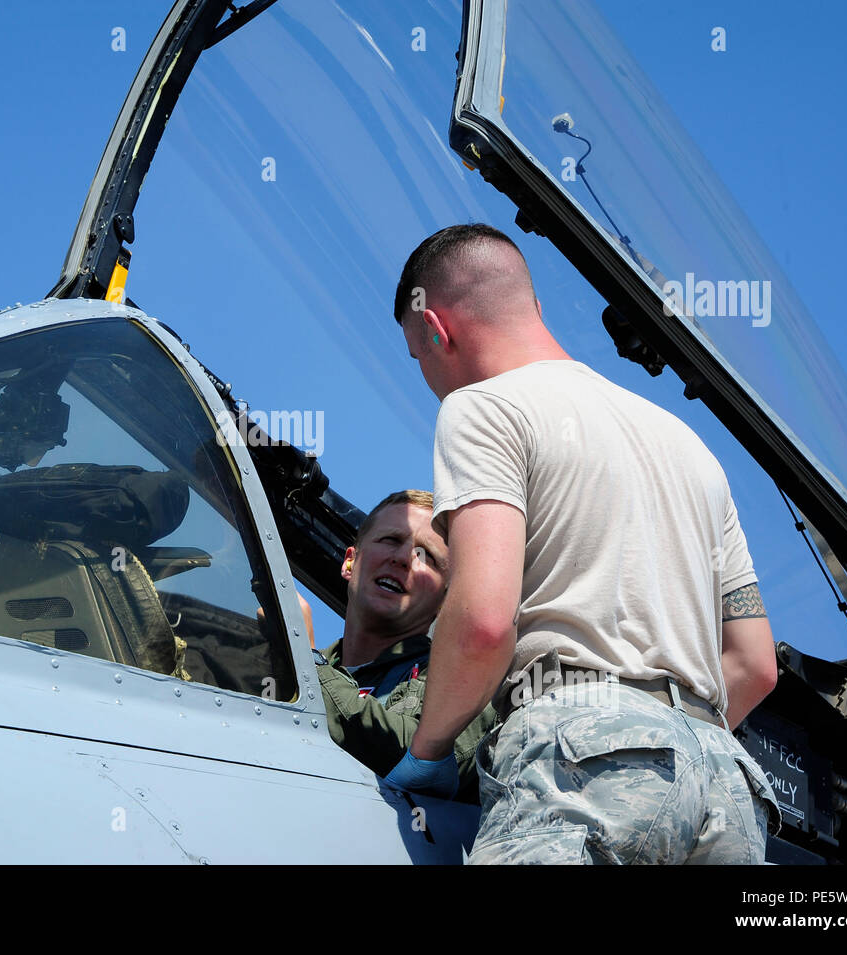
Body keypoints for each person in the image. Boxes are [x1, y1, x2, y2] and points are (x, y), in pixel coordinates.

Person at [382, 223, 781, 863]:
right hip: (726, 789)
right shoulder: (691, 448)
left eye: (417, 354)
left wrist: (427, 750)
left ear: (436, 330)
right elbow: (757, 664)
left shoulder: (484, 409)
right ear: (534, 307)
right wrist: (662, 738)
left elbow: (484, 622)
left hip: (579, 766)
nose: (426, 372)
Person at [316, 489, 492, 803]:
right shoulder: (281, 668)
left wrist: (303, 669)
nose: (402, 558)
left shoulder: (460, 685)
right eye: (391, 540)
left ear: (445, 603)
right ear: (350, 562)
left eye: (426, 556)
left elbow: (422, 756)